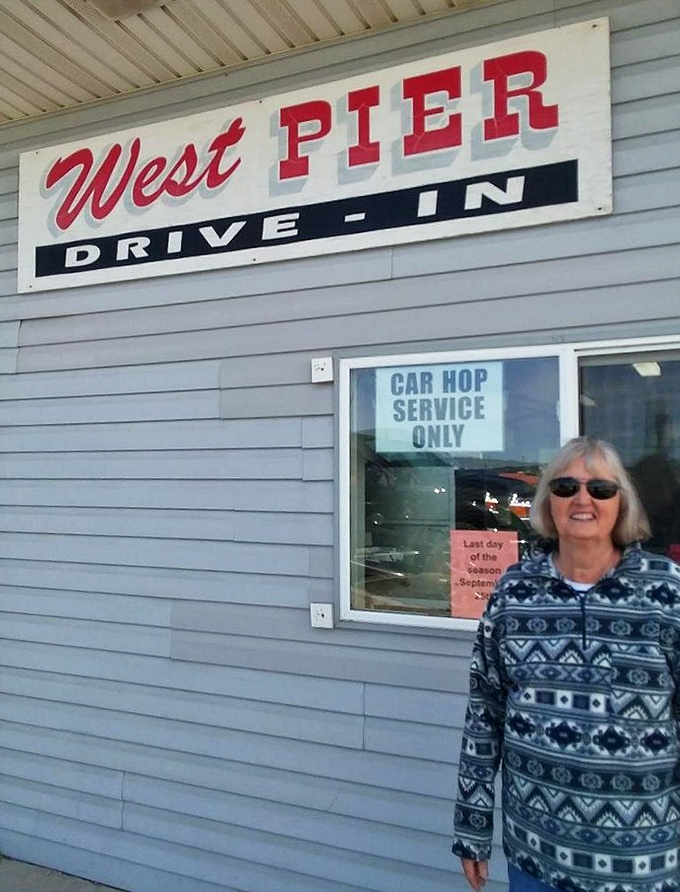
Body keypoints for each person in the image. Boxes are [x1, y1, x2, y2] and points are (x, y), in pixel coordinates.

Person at [451, 436, 680, 892]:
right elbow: (485, 714)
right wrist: (472, 829)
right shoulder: (513, 592)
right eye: (565, 486)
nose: (582, 499)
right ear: (547, 502)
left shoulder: (666, 592)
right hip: (536, 859)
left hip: (642, 862)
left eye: (600, 488)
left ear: (621, 503)